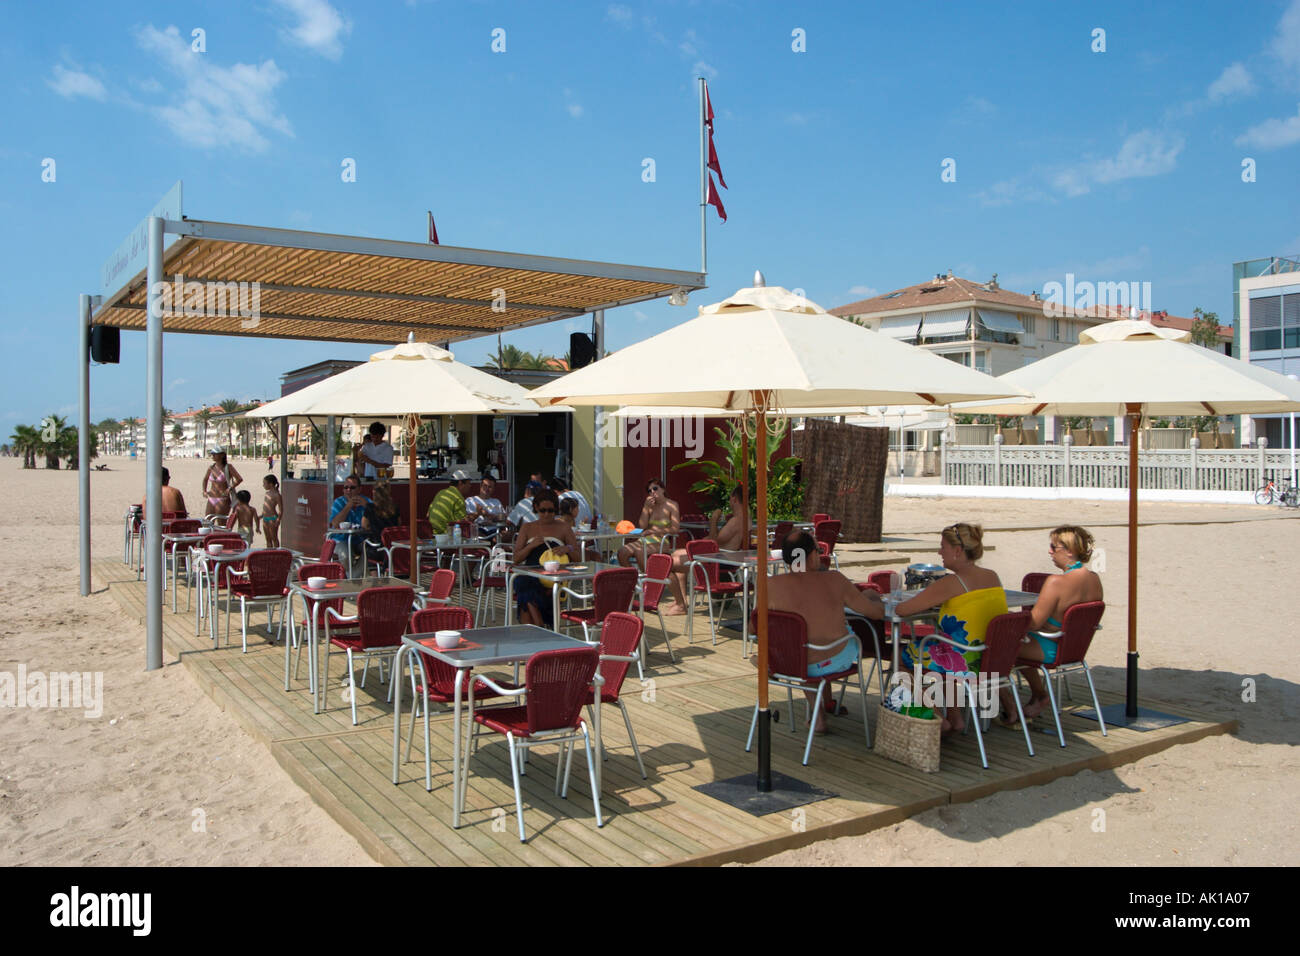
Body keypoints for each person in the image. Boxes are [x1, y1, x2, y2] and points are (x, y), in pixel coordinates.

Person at [766, 531, 884, 734]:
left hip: (788, 663)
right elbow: (874, 613)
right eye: (818, 551)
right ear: (811, 556)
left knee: (801, 645)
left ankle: (819, 712)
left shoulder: (771, 586)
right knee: (846, 637)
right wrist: (874, 597)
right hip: (834, 659)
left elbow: (753, 626)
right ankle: (825, 706)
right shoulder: (834, 580)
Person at [895, 523, 1006, 734]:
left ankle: (938, 717)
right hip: (989, 658)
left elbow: (903, 609)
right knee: (942, 650)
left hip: (966, 662)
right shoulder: (992, 576)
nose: (939, 552)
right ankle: (956, 719)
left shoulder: (952, 582)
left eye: (942, 547)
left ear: (957, 551)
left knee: (903, 659)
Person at [1001, 526, 1104, 726]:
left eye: (1053, 547)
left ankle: (1011, 707)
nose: (1049, 551)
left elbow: (1034, 622)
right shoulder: (1094, 579)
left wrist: (1009, 618)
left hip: (1050, 647)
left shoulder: (1056, 582)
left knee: (997, 647)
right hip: (1072, 647)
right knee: (1008, 643)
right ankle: (1037, 695)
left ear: (1070, 551)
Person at [664, 485, 750, 615]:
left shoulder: (736, 520)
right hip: (723, 556)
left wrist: (713, 520)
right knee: (676, 553)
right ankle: (681, 601)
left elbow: (714, 541)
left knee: (668, 564)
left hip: (717, 560)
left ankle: (681, 605)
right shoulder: (746, 519)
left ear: (734, 499)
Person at [511, 490, 580, 627]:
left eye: (551, 510)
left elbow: (578, 557)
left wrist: (568, 549)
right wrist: (531, 546)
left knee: (524, 592)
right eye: (543, 510)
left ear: (555, 509)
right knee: (523, 582)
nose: (547, 514)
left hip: (554, 577)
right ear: (536, 508)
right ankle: (540, 625)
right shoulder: (528, 527)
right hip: (532, 574)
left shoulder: (564, 528)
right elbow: (516, 559)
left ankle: (537, 629)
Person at [617, 478, 680, 569]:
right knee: (622, 552)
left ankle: (649, 579)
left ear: (663, 489)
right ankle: (633, 577)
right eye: (649, 491)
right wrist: (645, 507)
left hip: (662, 541)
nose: (652, 492)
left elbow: (675, 529)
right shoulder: (650, 506)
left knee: (640, 552)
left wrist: (653, 531)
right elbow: (642, 526)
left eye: (655, 488)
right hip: (646, 540)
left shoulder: (672, 505)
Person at [328, 475, 371, 554]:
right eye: (346, 487)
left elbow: (378, 520)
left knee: (369, 551)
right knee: (345, 554)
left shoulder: (366, 501)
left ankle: (360, 567)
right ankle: (350, 567)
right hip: (341, 539)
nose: (348, 490)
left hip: (361, 540)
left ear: (359, 489)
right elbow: (335, 524)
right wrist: (348, 506)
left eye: (352, 488)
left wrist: (367, 506)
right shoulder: (338, 502)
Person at [427, 468, 476, 535]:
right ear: (460, 483)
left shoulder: (441, 493)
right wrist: (477, 514)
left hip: (432, 534)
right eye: (468, 483)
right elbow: (463, 524)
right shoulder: (458, 498)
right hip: (447, 536)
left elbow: (428, 514)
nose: (470, 486)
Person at [202, 447, 242, 517]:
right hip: (211, 498)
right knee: (207, 523)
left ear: (222, 455)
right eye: (212, 454)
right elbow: (205, 479)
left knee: (221, 524)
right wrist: (204, 491)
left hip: (223, 498)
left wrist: (230, 488)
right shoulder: (211, 467)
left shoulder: (228, 467)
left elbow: (239, 479)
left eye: (215, 454)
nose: (213, 456)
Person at [260, 475, 283, 548]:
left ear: (271, 484)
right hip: (265, 518)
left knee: (274, 538)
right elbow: (265, 507)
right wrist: (260, 516)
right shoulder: (267, 493)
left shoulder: (277, 495)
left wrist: (278, 519)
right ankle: (269, 553)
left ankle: (277, 554)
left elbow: (281, 509)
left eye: (264, 483)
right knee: (268, 538)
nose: (263, 485)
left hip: (273, 518)